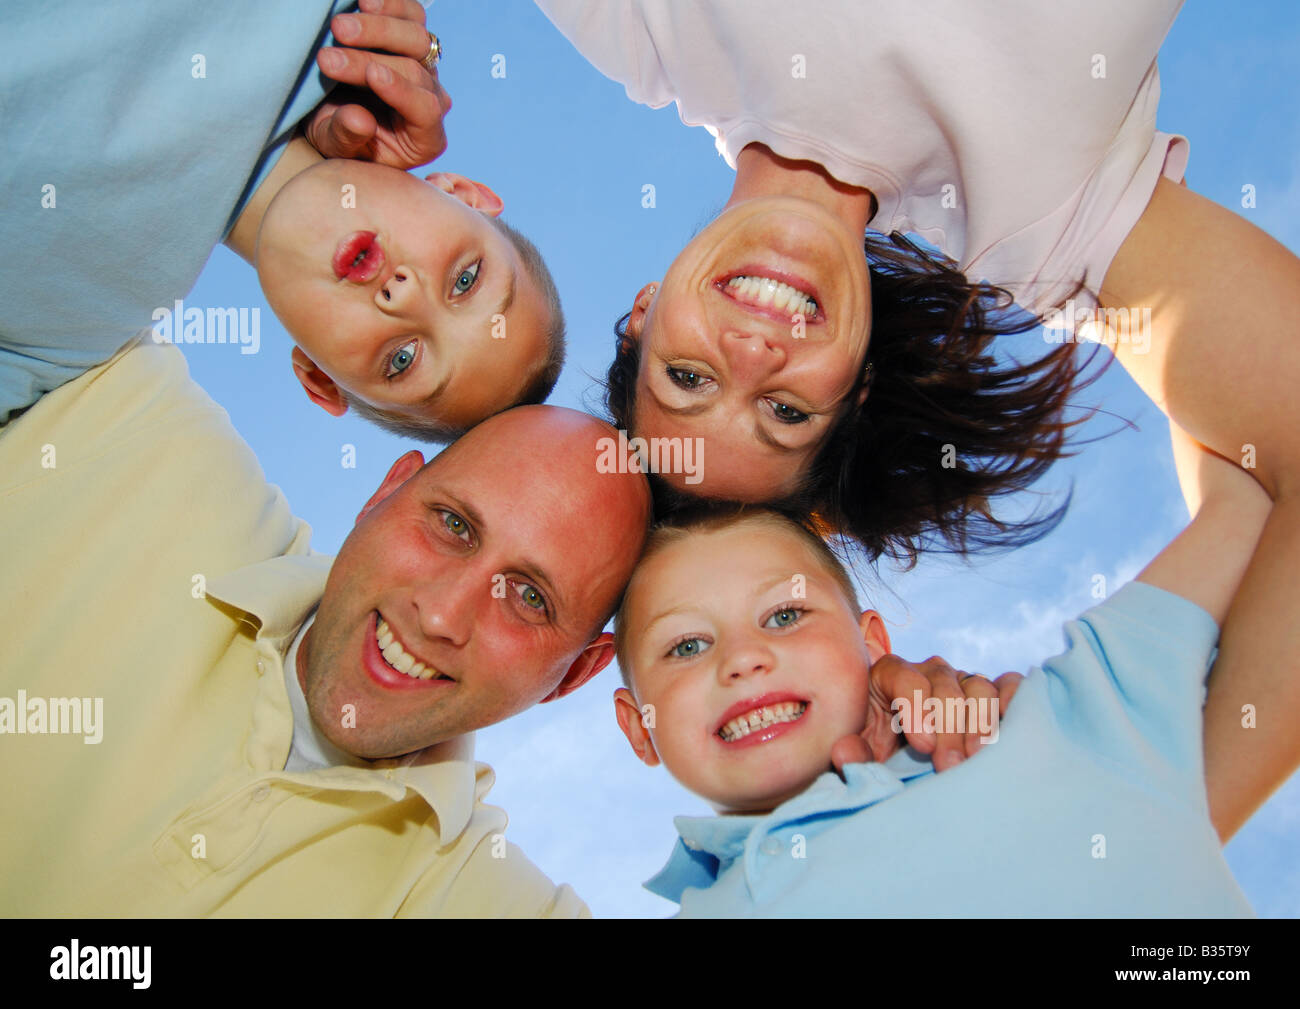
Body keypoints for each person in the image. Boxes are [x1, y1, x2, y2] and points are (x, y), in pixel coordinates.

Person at [537, 0, 1300, 841]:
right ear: (857, 386)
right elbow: (1266, 473)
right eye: (785, 412)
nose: (752, 356)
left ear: (643, 314)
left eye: (687, 377)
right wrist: (1147, 850)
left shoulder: (651, 29)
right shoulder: (1054, 229)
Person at [0, 329, 650, 915]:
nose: (443, 612)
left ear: (574, 676)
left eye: (530, 599)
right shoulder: (143, 443)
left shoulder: (487, 902)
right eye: (453, 525)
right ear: (386, 492)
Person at [609, 444, 1272, 913]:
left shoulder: (1070, 714)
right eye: (687, 643)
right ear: (640, 728)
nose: (743, 657)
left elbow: (1256, 484)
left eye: (785, 613)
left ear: (871, 646)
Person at [0, 0, 563, 442]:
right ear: (463, 194)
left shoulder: (57, 339)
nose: (404, 295)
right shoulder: (364, 25)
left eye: (403, 359)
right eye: (466, 280)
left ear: (319, 378)